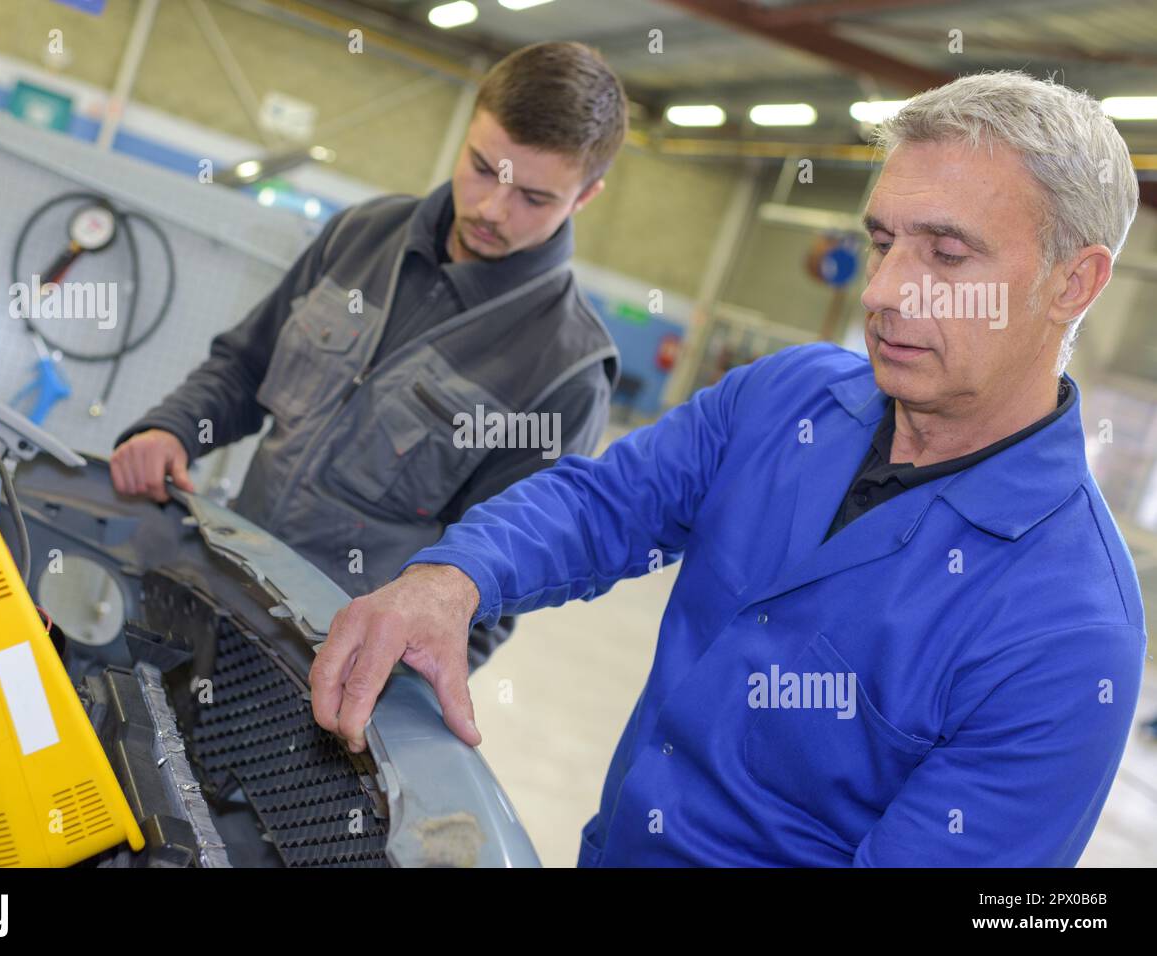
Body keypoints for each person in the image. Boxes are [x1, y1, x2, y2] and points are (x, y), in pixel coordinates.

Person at [310, 71, 1148, 866]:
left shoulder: (1069, 632)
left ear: (1073, 282)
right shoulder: (788, 398)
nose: (886, 290)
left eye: (948, 257)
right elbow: (605, 503)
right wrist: (453, 577)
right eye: (884, 242)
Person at [110, 42, 626, 669]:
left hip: (324, 674)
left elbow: (494, 589)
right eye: (484, 168)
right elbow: (246, 366)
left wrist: (389, 699)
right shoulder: (363, 234)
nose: (493, 209)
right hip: (213, 589)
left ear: (586, 196)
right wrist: (175, 427)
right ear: (467, 131)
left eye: (534, 199)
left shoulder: (563, 370)